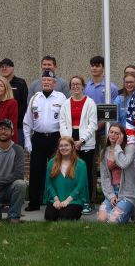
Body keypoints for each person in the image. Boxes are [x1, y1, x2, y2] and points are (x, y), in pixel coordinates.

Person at [23, 70, 65, 212]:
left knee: (56, 170)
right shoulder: (35, 98)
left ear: (54, 82)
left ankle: (55, 201)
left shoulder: (61, 98)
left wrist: (64, 139)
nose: (46, 82)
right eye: (44, 80)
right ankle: (34, 202)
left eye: (49, 80)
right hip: (38, 138)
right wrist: (28, 141)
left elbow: (65, 120)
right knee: (36, 171)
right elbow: (27, 121)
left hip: (55, 138)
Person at [66, 75, 98, 213]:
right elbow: (62, 122)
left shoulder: (90, 103)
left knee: (86, 173)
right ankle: (73, 200)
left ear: (83, 86)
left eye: (78, 84)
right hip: (69, 142)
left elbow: (93, 124)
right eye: (73, 84)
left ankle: (87, 202)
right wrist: (68, 140)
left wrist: (82, 140)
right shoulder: (66, 103)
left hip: (85, 143)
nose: (75, 86)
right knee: (71, 172)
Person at [97, 123, 135, 224]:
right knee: (102, 219)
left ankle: (131, 208)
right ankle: (121, 210)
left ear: (122, 136)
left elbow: (123, 164)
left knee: (112, 221)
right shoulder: (104, 151)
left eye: (116, 133)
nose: (113, 135)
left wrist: (118, 146)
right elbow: (105, 177)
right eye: (111, 132)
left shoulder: (130, 148)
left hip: (127, 193)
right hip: (113, 191)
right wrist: (111, 195)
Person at [42, 135, 88, 221]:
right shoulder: (52, 163)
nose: (64, 148)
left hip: (74, 200)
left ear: (72, 147)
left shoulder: (81, 164)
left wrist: (67, 201)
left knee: (65, 217)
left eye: (66, 145)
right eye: (61, 146)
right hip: (56, 199)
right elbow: (49, 184)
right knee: (50, 216)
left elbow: (80, 186)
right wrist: (56, 200)